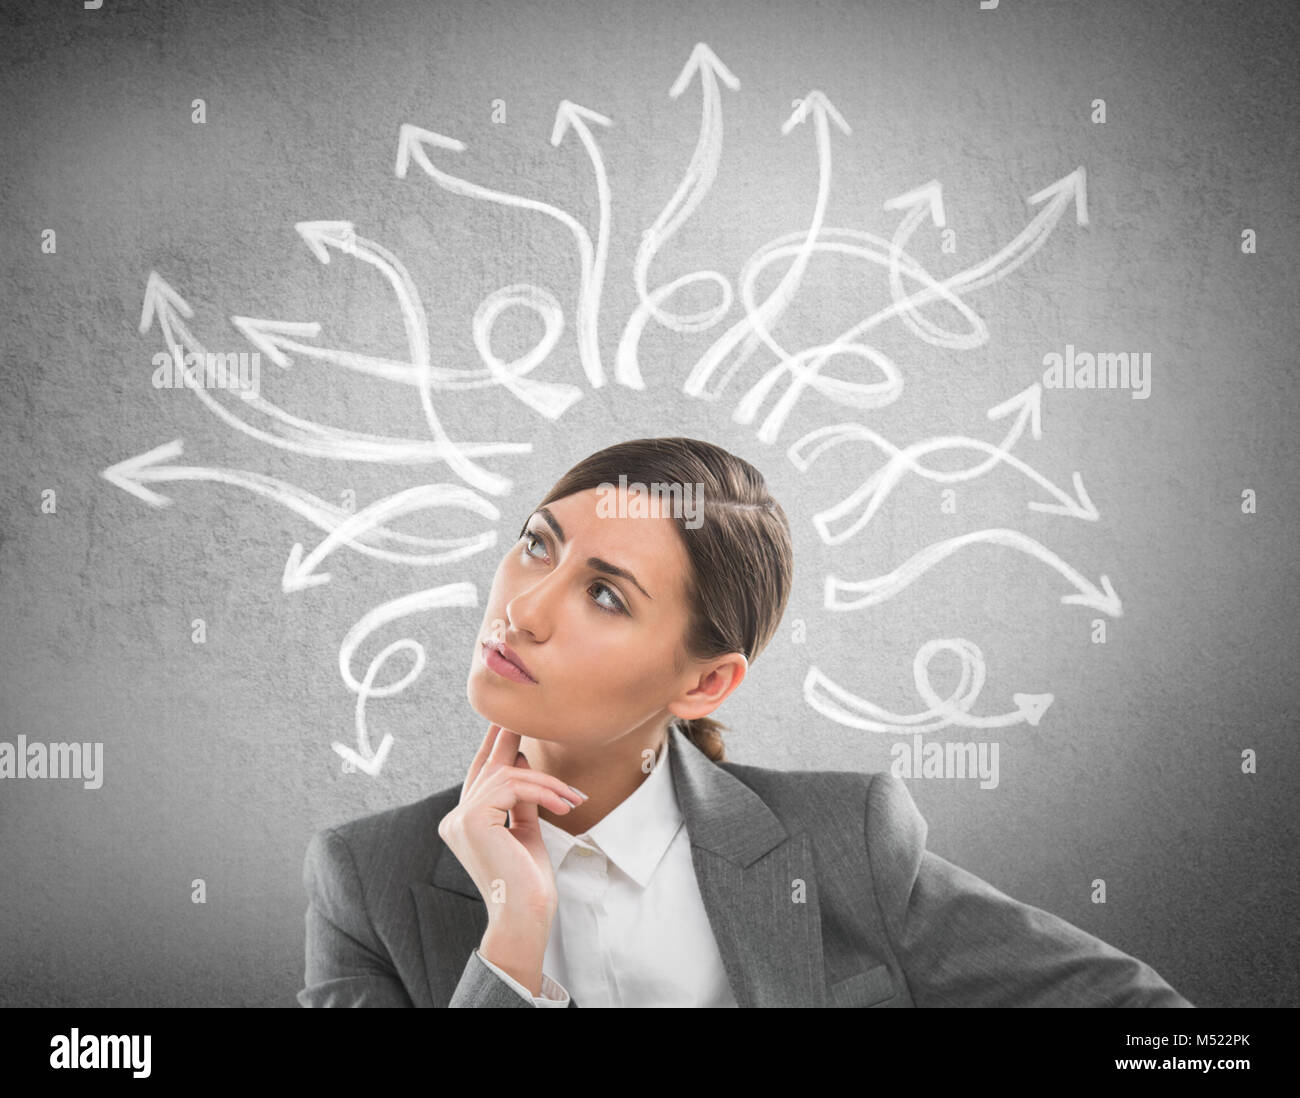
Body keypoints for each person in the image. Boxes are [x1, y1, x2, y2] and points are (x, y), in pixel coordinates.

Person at [297, 436, 1192, 1007]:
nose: (524, 608)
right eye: (538, 543)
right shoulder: (368, 878)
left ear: (707, 682)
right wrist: (513, 935)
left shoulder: (842, 843)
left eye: (605, 594)